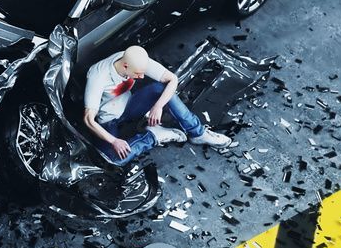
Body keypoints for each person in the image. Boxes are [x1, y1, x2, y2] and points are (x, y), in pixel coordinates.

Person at [83, 46, 231, 164]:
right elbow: (88, 120)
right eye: (138, 74)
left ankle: (198, 133)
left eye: (143, 73)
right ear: (125, 66)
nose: (141, 77)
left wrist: (158, 106)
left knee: (161, 88)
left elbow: (172, 79)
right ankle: (154, 136)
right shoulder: (98, 75)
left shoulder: (135, 58)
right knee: (112, 159)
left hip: (129, 106)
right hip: (107, 119)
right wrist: (114, 141)